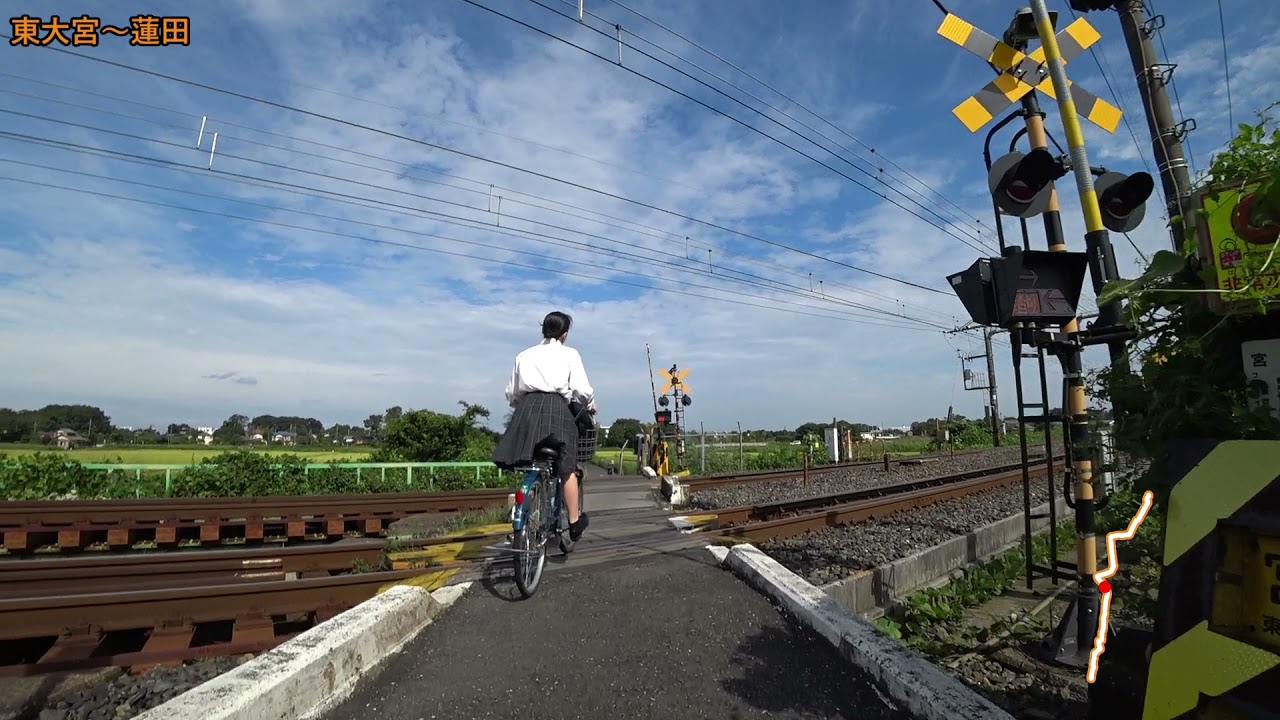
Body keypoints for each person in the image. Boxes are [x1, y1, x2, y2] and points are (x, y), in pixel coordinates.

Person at [492, 310, 596, 542]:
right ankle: (574, 522)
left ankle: (530, 499)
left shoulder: (524, 355)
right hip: (556, 410)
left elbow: (512, 393)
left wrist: (526, 405)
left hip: (526, 410)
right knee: (567, 467)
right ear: (564, 333)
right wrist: (590, 405)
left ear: (544, 330)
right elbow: (582, 390)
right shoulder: (569, 354)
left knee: (531, 462)